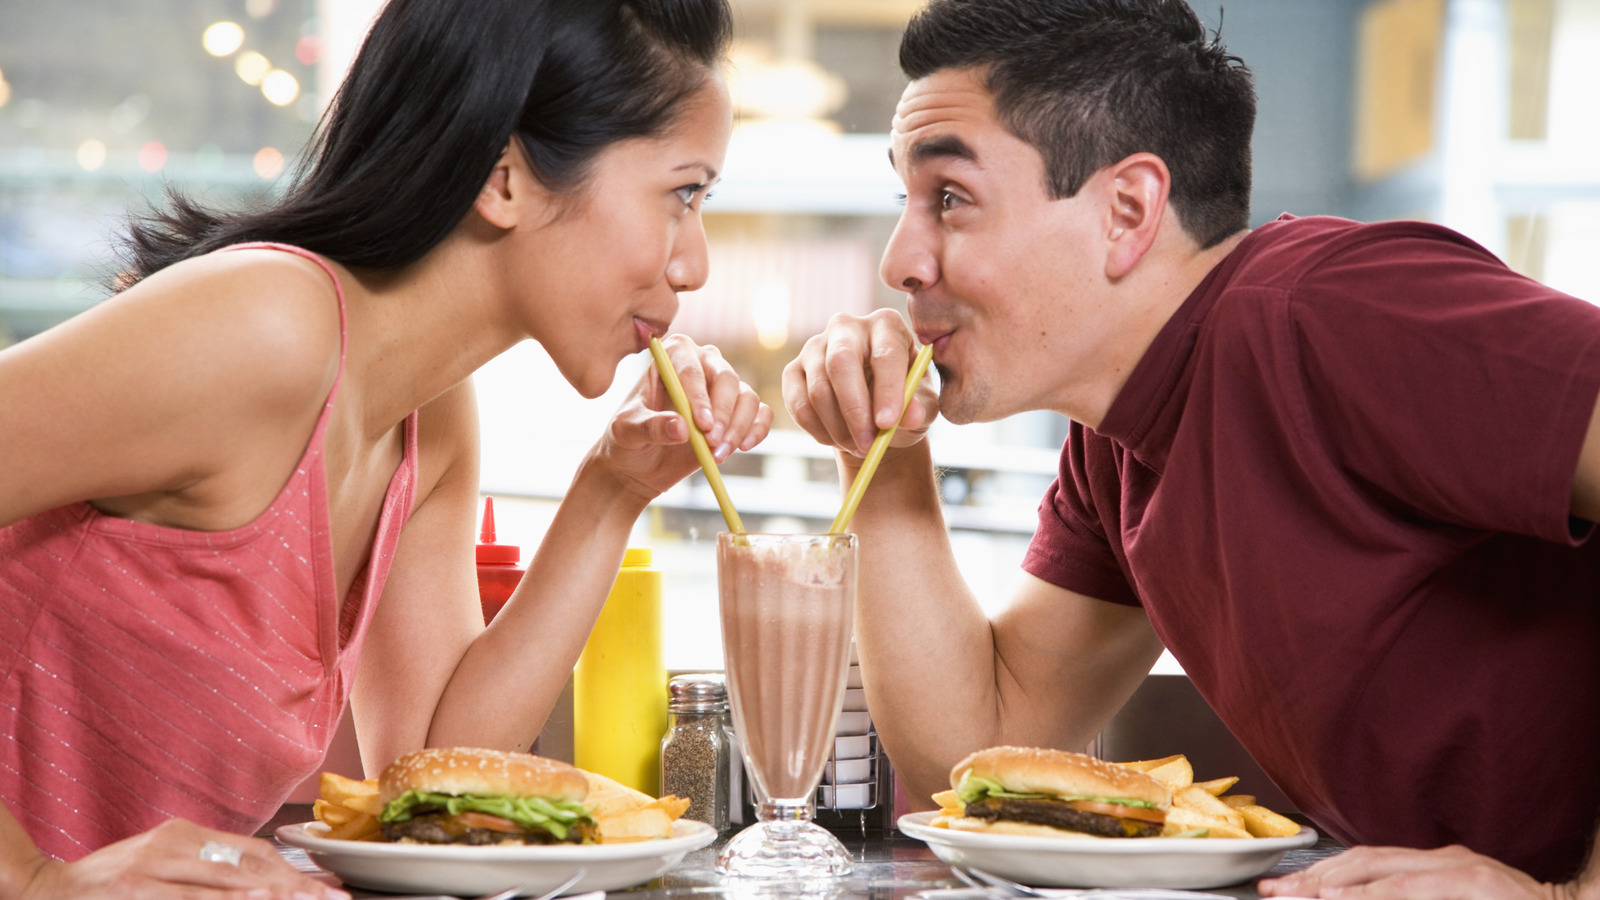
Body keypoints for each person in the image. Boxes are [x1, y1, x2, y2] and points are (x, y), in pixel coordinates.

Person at [781, 1, 1600, 897]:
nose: (900, 258)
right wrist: (885, 457)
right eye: (906, 200)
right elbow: (979, 759)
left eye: (949, 199)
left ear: (1127, 211)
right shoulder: (1114, 444)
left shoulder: (1337, 316)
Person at [0, 0, 766, 897]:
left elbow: (435, 770)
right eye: (683, 193)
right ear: (506, 176)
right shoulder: (267, 328)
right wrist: (36, 878)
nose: (695, 262)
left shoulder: (428, 417)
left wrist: (611, 493)